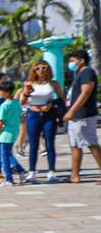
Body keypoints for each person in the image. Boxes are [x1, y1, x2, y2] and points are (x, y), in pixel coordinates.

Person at [18, 60, 66, 182]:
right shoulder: (30, 83)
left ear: (48, 69)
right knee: (34, 144)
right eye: (37, 68)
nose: (41, 70)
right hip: (33, 114)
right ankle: (32, 172)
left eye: (44, 67)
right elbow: (22, 102)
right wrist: (26, 93)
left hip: (48, 115)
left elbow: (62, 99)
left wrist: (51, 103)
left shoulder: (53, 83)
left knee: (50, 143)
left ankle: (51, 172)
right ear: (33, 70)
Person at [63, 48, 99, 183]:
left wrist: (72, 110)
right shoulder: (79, 74)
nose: (70, 63)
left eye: (72, 61)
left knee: (91, 143)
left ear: (82, 60)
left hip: (84, 115)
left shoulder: (87, 72)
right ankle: (74, 175)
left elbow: (86, 93)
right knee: (75, 144)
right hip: (76, 116)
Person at [0, 79, 27, 187]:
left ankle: (9, 179)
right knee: (8, 154)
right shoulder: (15, 103)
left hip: (5, 133)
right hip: (14, 132)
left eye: (1, 91)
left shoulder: (4, 105)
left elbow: (0, 121)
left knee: (4, 157)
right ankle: (21, 171)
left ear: (7, 92)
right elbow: (20, 115)